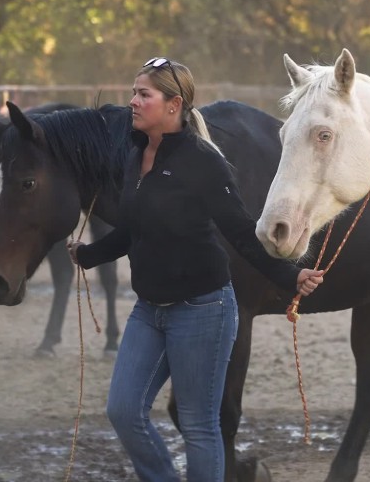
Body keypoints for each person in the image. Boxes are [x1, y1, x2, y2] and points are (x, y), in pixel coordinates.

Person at [67, 57, 324, 482]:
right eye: (134, 92)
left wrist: (288, 275)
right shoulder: (135, 154)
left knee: (200, 427)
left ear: (173, 105)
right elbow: (134, 227)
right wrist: (89, 255)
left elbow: (242, 233)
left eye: (142, 94)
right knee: (123, 411)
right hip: (149, 310)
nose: (132, 101)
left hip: (203, 310)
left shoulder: (204, 161)